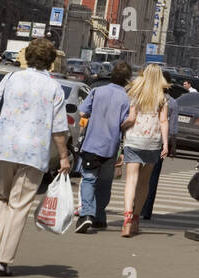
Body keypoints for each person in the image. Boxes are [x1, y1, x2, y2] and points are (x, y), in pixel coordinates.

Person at [0, 37, 70, 274]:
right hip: (34, 152)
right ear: (50, 62)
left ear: (27, 56)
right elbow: (59, 129)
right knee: (19, 206)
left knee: (0, 199)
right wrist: (63, 157)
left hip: (4, 147)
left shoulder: (10, 79)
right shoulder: (54, 88)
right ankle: (2, 259)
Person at [75, 61, 132, 232]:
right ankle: (99, 216)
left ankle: (86, 215)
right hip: (111, 146)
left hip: (92, 144)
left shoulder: (96, 91)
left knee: (89, 179)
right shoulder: (127, 99)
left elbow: (82, 112)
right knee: (105, 183)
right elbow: (126, 122)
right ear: (127, 80)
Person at [121, 65, 170, 237]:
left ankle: (126, 217)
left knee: (131, 181)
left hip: (134, 140)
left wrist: (121, 127)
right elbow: (163, 121)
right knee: (144, 183)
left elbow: (131, 118)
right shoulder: (162, 98)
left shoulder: (136, 94)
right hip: (153, 143)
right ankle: (135, 219)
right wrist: (165, 144)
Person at [140, 89, 179, 220]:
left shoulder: (148, 98)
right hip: (160, 143)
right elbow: (172, 127)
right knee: (153, 178)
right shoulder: (172, 102)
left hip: (144, 140)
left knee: (140, 176)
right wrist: (172, 145)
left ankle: (136, 208)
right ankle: (147, 211)